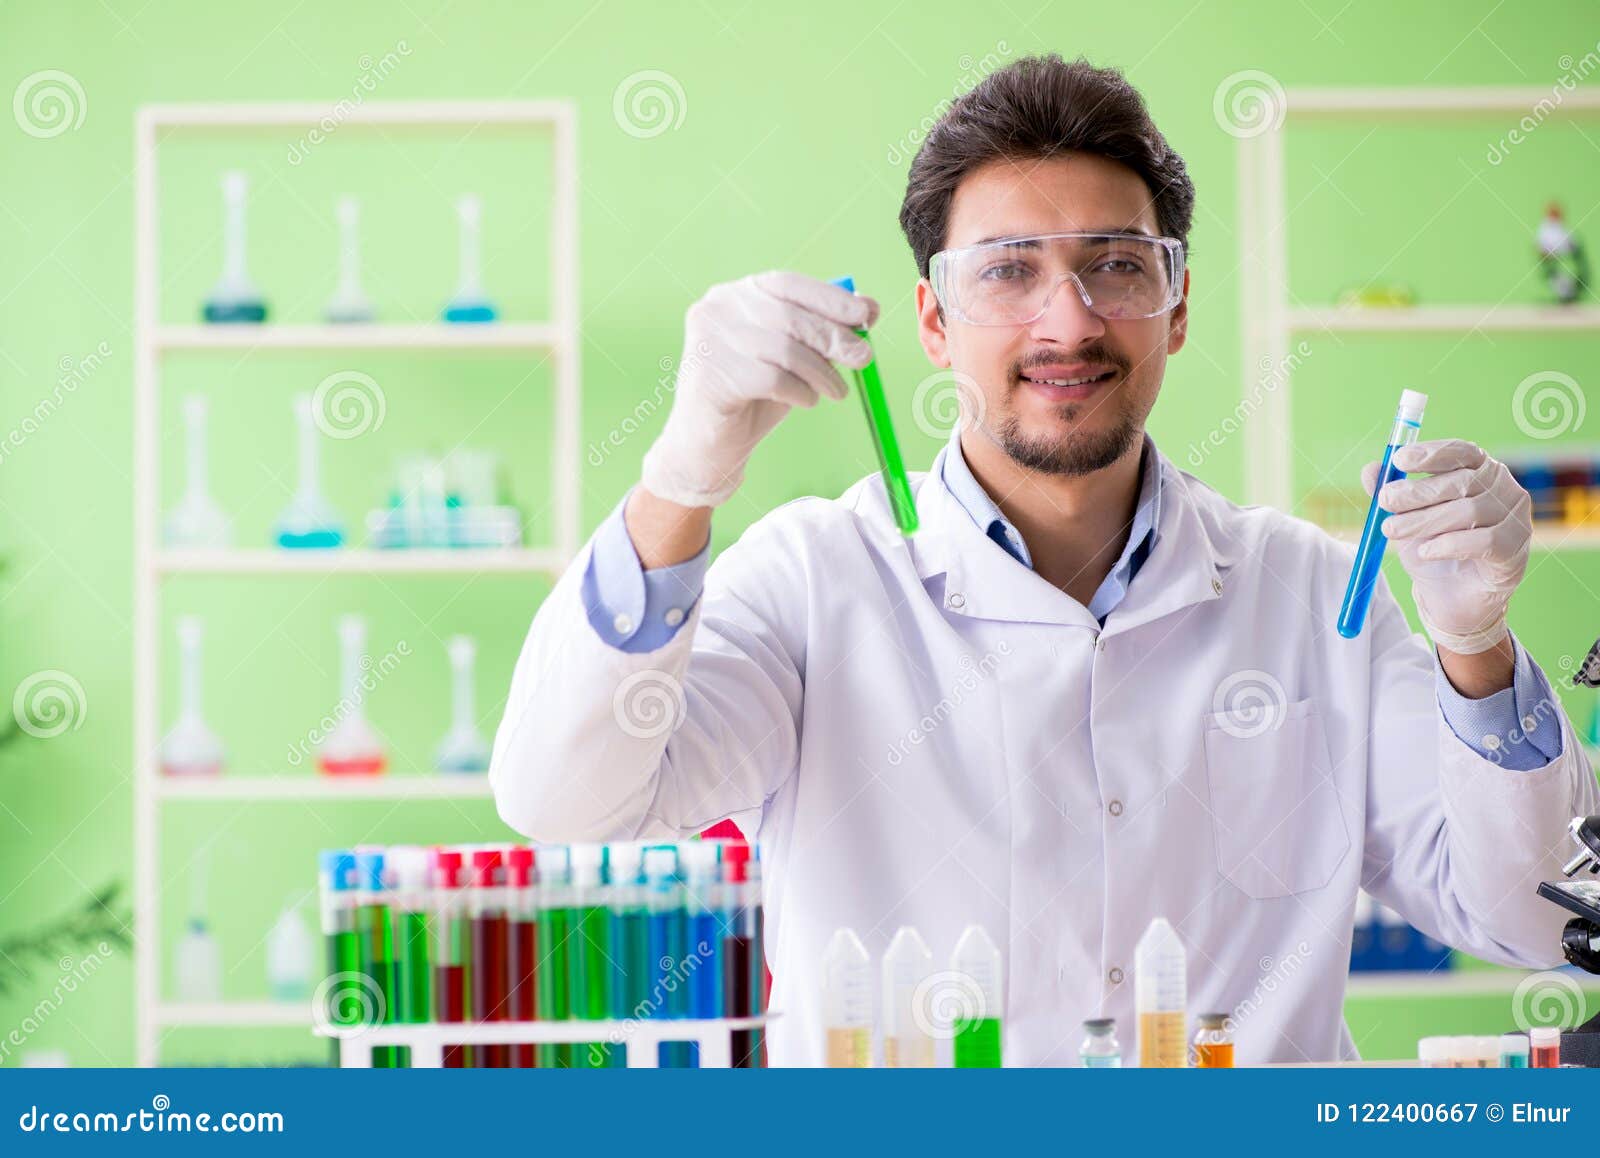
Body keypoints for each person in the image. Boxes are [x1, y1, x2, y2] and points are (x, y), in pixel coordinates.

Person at [491, 54, 1597, 1065]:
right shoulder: (813, 579)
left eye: (1116, 266)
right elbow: (566, 797)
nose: (1067, 322)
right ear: (931, 322)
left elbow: (1536, 919)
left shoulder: (1309, 592)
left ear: (1174, 308)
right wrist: (678, 480)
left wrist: (1475, 653)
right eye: (1008, 271)